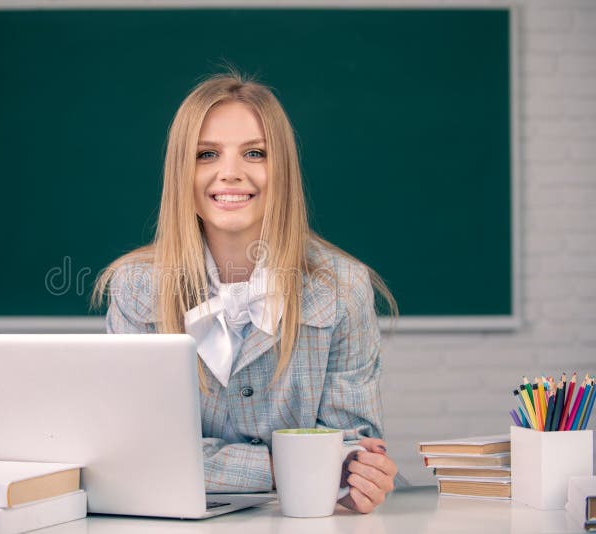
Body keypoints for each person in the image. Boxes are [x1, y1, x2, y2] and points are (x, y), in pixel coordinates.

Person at [92, 71, 398, 513]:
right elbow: (135, 459)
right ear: (181, 171)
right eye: (206, 154)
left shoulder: (343, 288)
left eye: (254, 153)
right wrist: (281, 467)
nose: (230, 173)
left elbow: (353, 463)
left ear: (283, 171)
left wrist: (357, 478)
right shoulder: (136, 290)